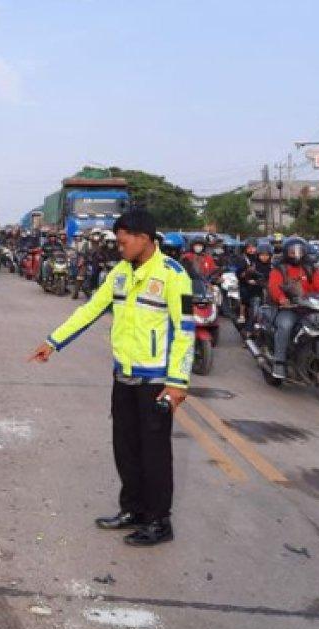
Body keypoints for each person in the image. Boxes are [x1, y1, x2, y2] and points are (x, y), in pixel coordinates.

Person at [29, 207, 193, 547]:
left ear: (144, 239)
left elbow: (184, 331)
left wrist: (177, 382)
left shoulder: (174, 276)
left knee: (154, 455)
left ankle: (159, 521)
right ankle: (132, 510)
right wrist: (53, 342)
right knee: (126, 449)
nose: (118, 247)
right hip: (124, 379)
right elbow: (89, 310)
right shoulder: (119, 274)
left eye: (122, 242)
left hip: (156, 383)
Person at [266, 237, 319, 379]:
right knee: (286, 325)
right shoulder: (280, 269)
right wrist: (282, 299)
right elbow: (274, 287)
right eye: (293, 252)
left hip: (309, 308)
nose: (296, 255)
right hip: (289, 308)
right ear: (287, 253)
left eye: (299, 252)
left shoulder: (310, 268)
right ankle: (279, 363)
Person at [239, 243, 273, 329]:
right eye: (262, 255)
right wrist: (250, 280)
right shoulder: (254, 266)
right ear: (258, 255)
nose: (264, 257)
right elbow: (246, 276)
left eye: (266, 255)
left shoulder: (273, 266)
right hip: (256, 292)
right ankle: (249, 329)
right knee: (255, 310)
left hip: (269, 293)